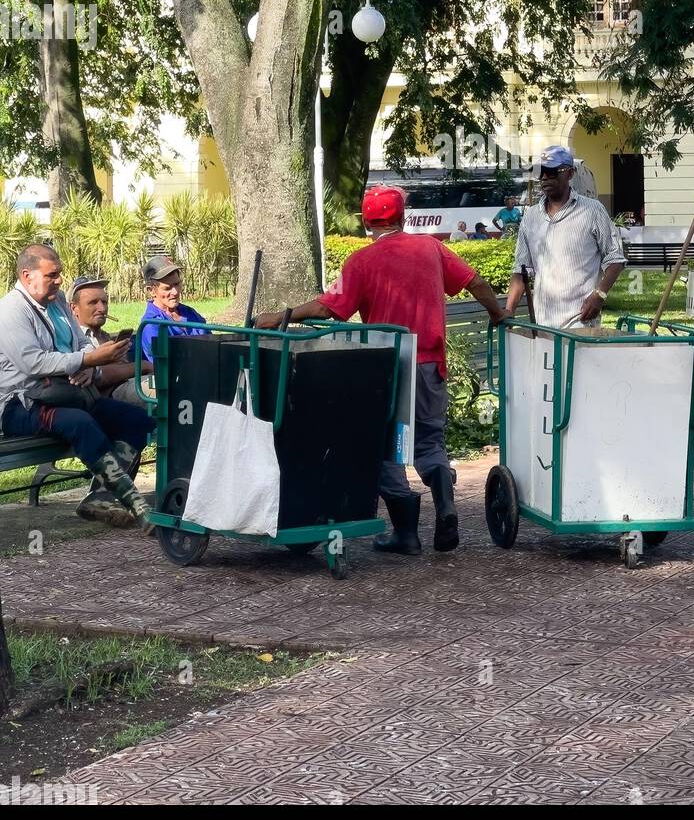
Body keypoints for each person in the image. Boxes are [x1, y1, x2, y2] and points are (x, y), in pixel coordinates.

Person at [255, 185, 506, 555]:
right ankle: (445, 505)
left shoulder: (361, 261)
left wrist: (282, 316)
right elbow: (476, 282)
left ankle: (406, 533)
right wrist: (498, 314)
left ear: (367, 222)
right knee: (429, 441)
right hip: (428, 362)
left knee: (384, 446)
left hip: (384, 369)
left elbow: (328, 309)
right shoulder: (431, 249)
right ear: (403, 216)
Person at [0, 245, 154, 531]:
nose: (59, 281)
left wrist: (88, 367)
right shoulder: (10, 311)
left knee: (137, 420)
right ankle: (137, 505)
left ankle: (100, 497)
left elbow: (81, 343)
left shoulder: (57, 301)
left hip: (67, 395)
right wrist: (87, 360)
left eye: (59, 274)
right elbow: (34, 363)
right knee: (81, 422)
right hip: (21, 405)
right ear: (27, 275)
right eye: (52, 275)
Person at [505, 145, 625, 328]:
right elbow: (521, 270)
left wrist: (599, 295)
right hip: (543, 324)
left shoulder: (592, 210)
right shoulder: (530, 217)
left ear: (570, 173)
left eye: (552, 172)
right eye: (540, 172)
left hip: (580, 323)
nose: (544, 177)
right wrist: (509, 311)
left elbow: (615, 259)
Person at [70, 277, 152, 408]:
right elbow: (99, 378)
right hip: (104, 400)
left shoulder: (104, 335)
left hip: (127, 386)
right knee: (163, 389)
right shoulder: (74, 338)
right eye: (93, 302)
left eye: (104, 302)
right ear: (74, 308)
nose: (102, 308)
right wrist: (143, 366)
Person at [139, 257, 208, 362]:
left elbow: (210, 342)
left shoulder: (189, 313)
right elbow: (162, 364)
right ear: (152, 291)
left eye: (177, 284)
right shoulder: (151, 324)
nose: (175, 292)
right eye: (167, 288)